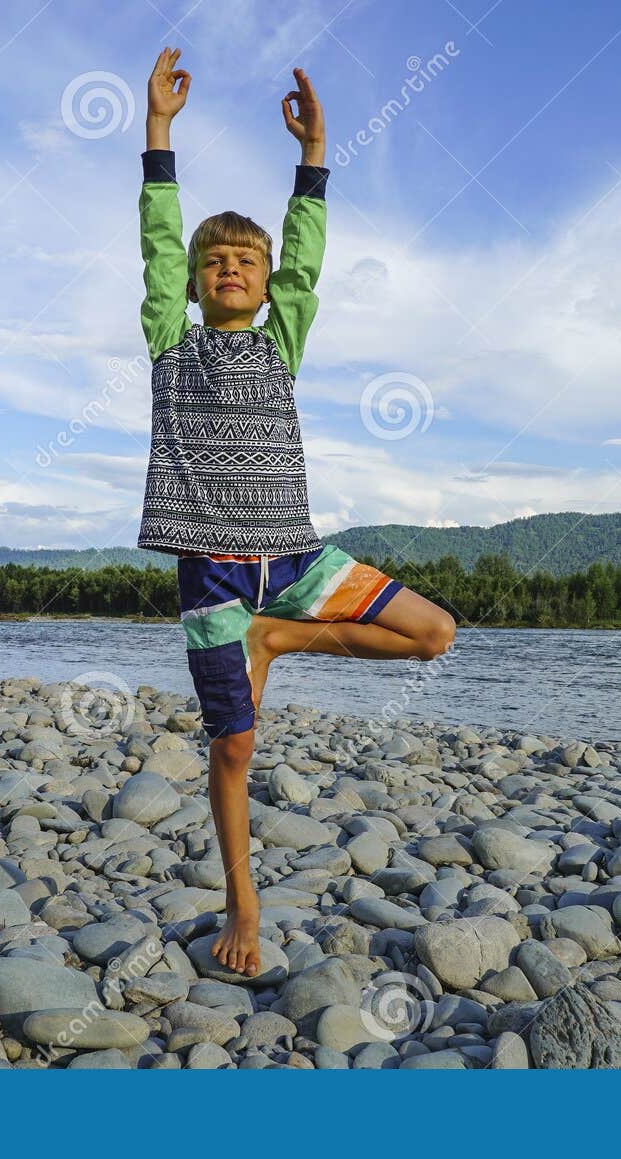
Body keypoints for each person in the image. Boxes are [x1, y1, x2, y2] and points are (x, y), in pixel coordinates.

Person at [137, 47, 456, 977]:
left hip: (300, 561)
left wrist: (314, 152)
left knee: (434, 633)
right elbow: (158, 239)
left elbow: (307, 252)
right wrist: (159, 133)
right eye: (215, 262)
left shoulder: (283, 337)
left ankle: (279, 639)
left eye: (246, 259)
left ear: (267, 280)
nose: (229, 268)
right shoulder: (170, 343)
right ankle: (244, 902)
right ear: (195, 283)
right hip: (212, 572)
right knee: (234, 747)